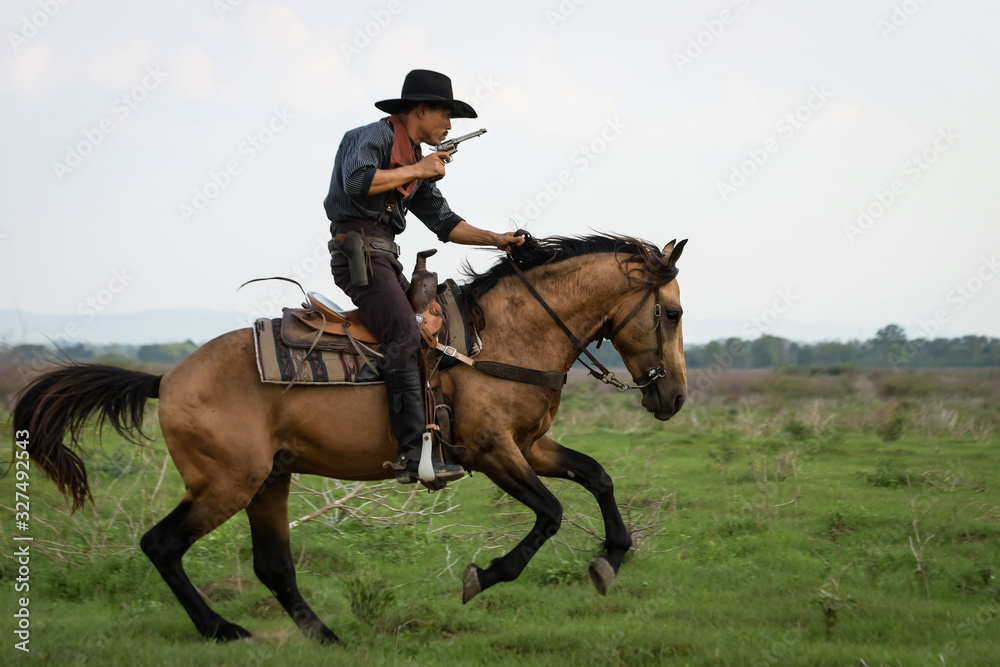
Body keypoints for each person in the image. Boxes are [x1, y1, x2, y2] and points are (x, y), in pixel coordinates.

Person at [323, 69, 523, 484]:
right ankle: (411, 454)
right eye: (445, 114)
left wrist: (496, 239)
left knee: (430, 332)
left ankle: (434, 436)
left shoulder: (416, 163)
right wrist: (418, 169)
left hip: (384, 258)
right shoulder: (373, 136)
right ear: (420, 110)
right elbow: (357, 182)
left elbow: (445, 223)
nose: (449, 125)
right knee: (404, 333)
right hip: (359, 254)